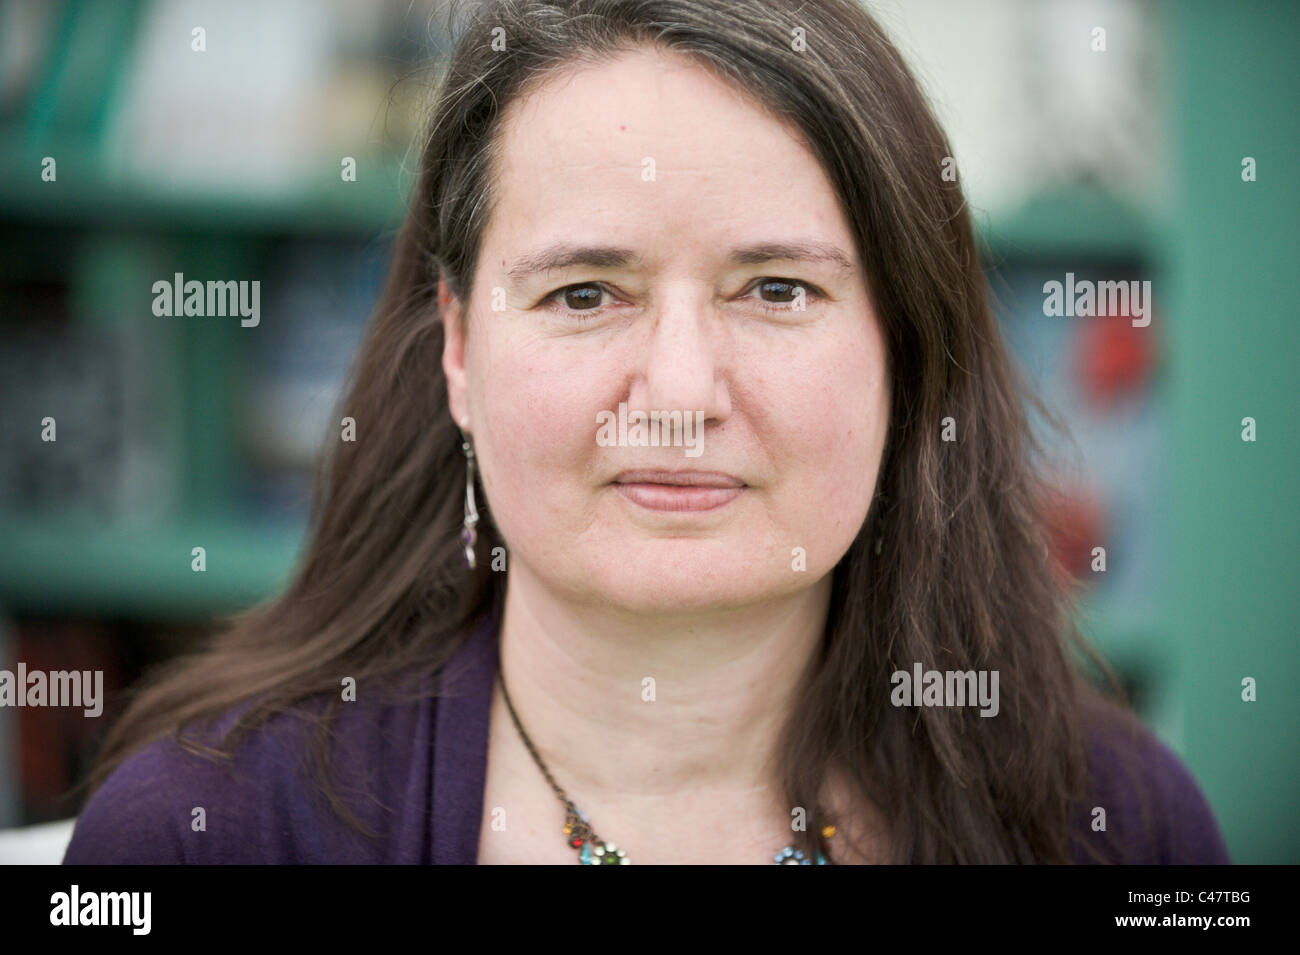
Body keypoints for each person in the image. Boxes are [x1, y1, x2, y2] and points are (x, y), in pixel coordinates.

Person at [64, 0, 1229, 865]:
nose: (679, 391)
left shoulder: (1121, 826)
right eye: (585, 293)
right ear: (460, 349)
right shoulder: (204, 836)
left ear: (903, 350)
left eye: (776, 289)